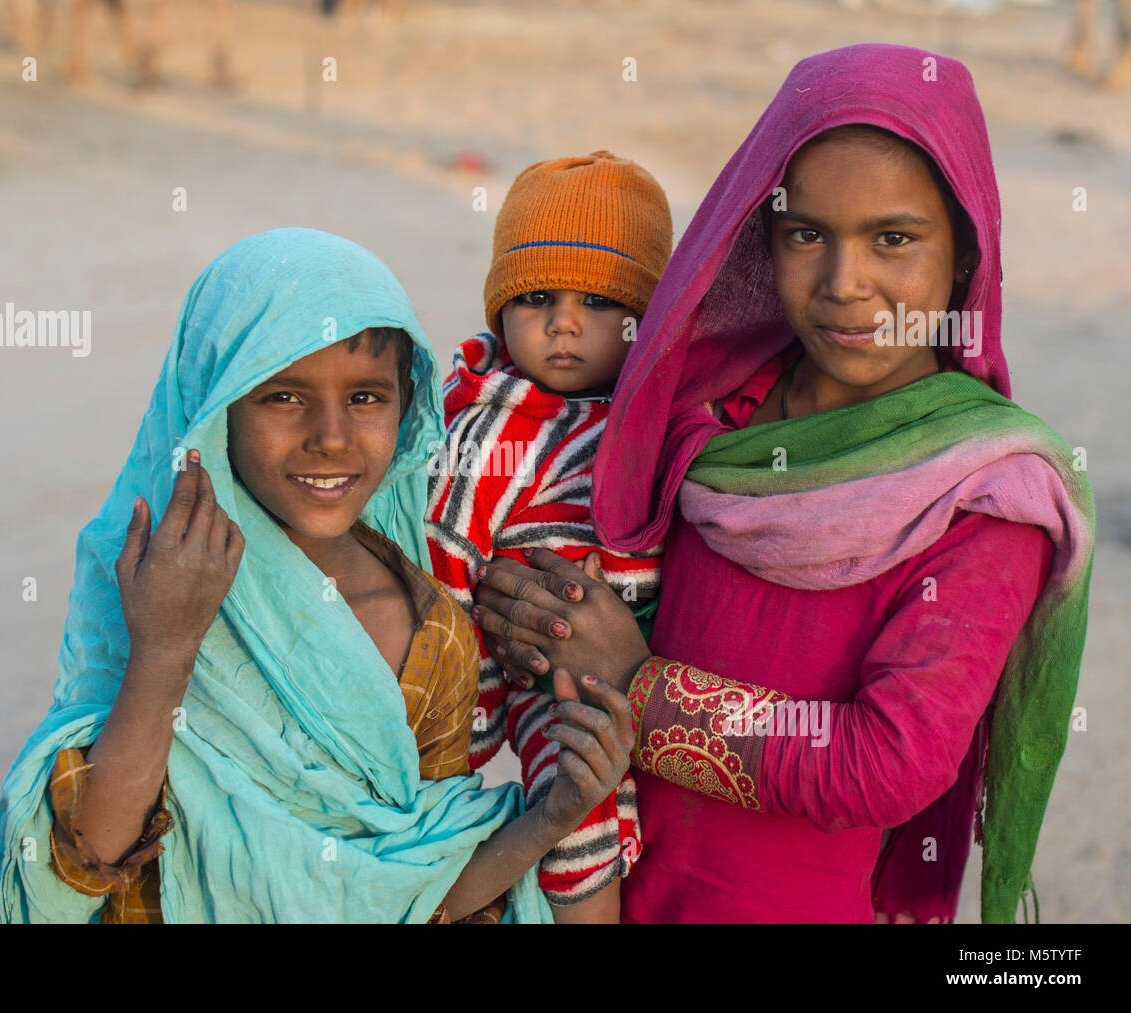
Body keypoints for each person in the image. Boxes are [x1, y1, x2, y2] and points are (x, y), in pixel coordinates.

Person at [469, 44, 1095, 924]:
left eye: (894, 238)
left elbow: (889, 761)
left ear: (963, 255)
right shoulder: (707, 410)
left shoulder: (984, 490)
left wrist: (640, 687)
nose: (846, 283)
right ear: (763, 240)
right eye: (807, 234)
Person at [0, 228, 635, 923]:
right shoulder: (159, 581)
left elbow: (421, 891)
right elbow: (81, 863)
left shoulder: (431, 631)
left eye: (364, 397)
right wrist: (164, 649)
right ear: (213, 403)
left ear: (408, 404)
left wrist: (553, 814)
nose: (331, 436)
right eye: (284, 397)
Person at [425, 151, 671, 920]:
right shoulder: (496, 419)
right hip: (548, 674)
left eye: (599, 300)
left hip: (654, 662)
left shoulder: (654, 408)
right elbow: (447, 553)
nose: (563, 322)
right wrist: (469, 718)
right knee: (581, 799)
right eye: (535, 298)